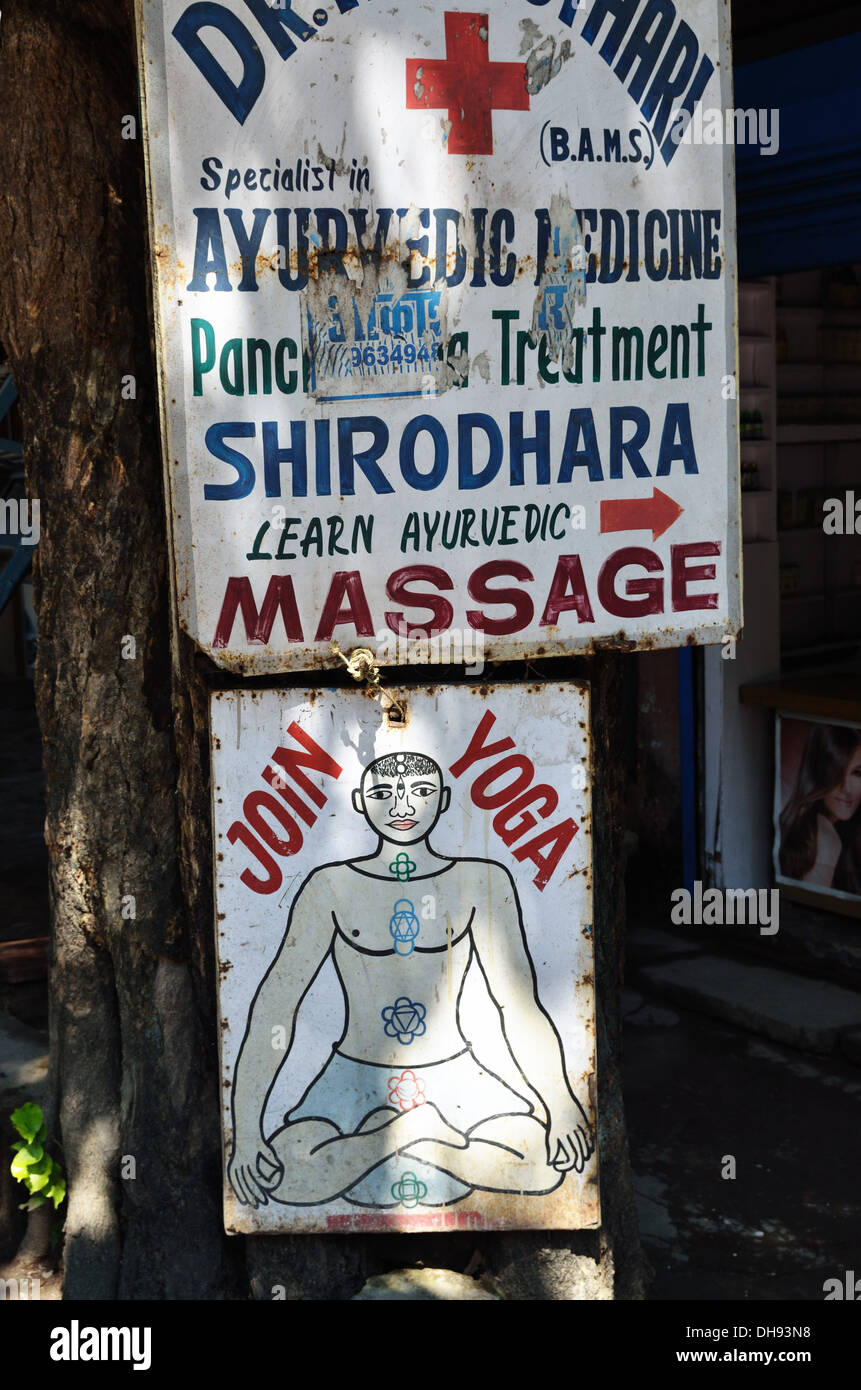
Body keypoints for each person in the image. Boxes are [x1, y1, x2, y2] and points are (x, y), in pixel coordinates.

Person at [228, 749, 594, 1210]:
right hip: (352, 1073)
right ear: (361, 801)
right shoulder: (329, 887)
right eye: (384, 794)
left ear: (442, 801)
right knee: (284, 1173)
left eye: (420, 792)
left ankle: (416, 1136)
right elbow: (277, 1006)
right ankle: (406, 1135)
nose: (402, 808)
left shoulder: (482, 879)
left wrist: (559, 1103)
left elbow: (518, 1004)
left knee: (544, 1162)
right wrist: (246, 1129)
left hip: (456, 1071)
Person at [779, 724, 861, 893]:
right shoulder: (825, 838)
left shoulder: (817, 829)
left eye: (857, 773)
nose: (846, 788)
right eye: (836, 771)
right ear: (817, 771)